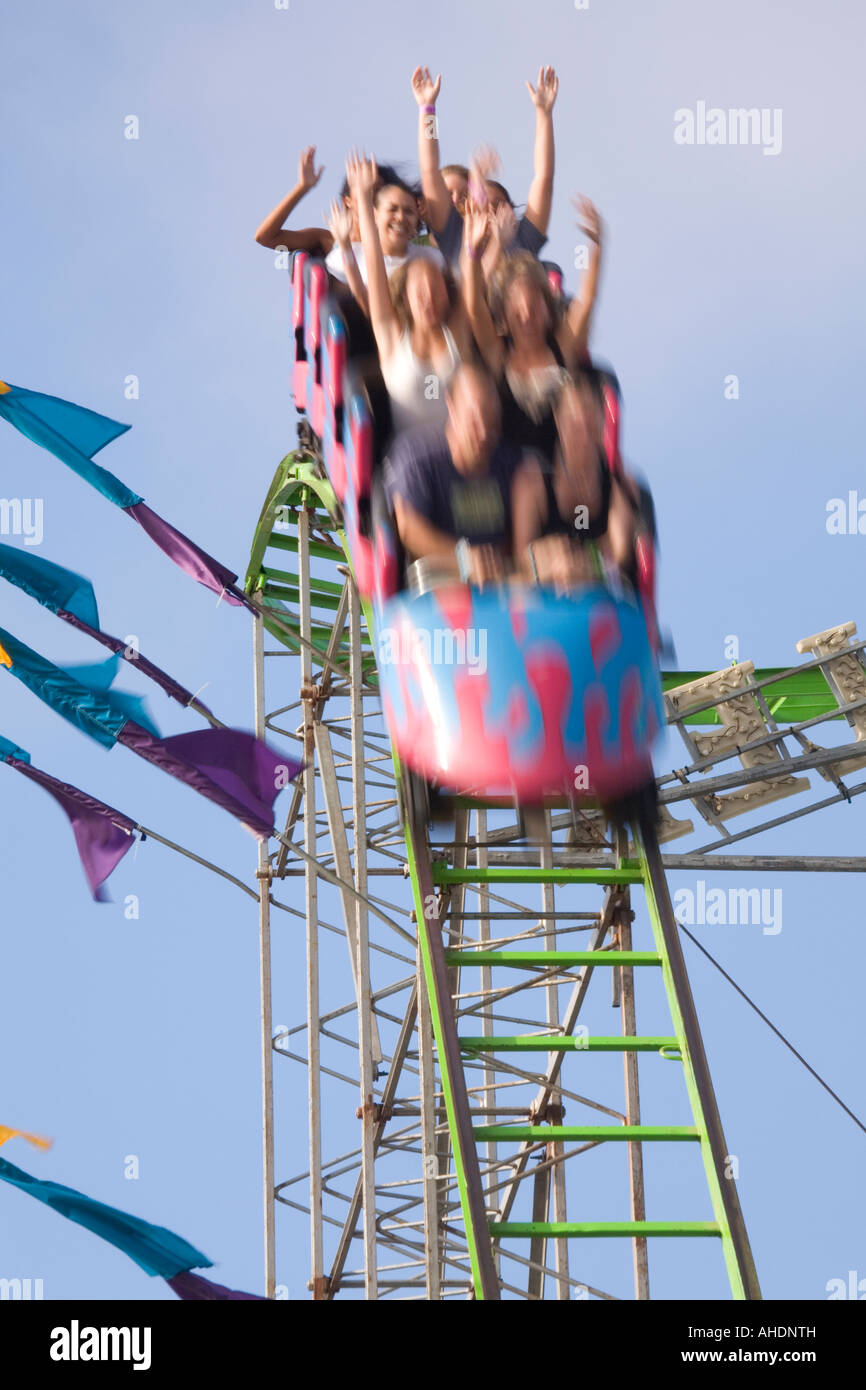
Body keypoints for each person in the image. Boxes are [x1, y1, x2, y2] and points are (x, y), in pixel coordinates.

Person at [343, 153, 471, 436]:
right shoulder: (391, 337)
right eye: (420, 291)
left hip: (459, 454)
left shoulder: (456, 336)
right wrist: (364, 202)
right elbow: (375, 267)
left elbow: (469, 277)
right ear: (406, 299)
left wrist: (475, 231)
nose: (429, 296)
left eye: (436, 289)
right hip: (410, 462)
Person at [384, 363, 524, 584]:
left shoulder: (510, 463)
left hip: (500, 592)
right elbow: (409, 528)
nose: (484, 432)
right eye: (474, 420)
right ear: (452, 407)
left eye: (490, 420)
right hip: (437, 591)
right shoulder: (417, 457)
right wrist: (464, 560)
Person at [412, 65, 558, 270]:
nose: (489, 211)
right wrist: (427, 109)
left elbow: (544, 178)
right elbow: (429, 170)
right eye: (482, 202)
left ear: (511, 213)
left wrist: (544, 115)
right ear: (466, 210)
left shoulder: (523, 241)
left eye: (497, 205)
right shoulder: (454, 236)